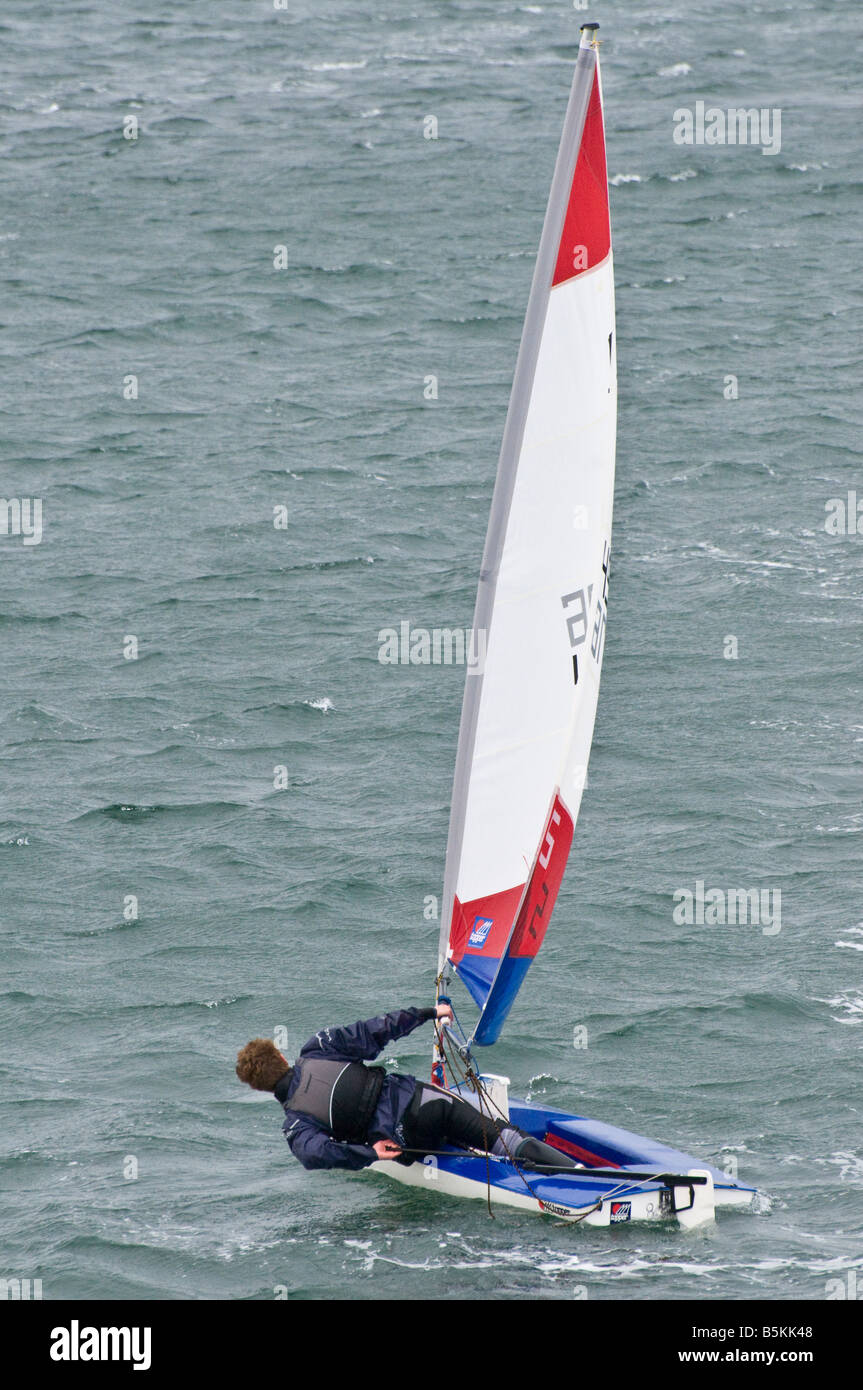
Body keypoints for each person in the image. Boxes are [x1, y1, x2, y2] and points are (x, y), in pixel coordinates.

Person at [235, 1003, 572, 1173]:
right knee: (503, 1138)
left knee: (467, 1159)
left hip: (405, 1143)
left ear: (259, 1088)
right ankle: (576, 1173)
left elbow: (316, 1154)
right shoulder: (318, 1048)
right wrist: (427, 1013)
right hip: (426, 1102)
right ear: (280, 1054)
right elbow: (376, 1030)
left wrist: (370, 1154)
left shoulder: (295, 1125)